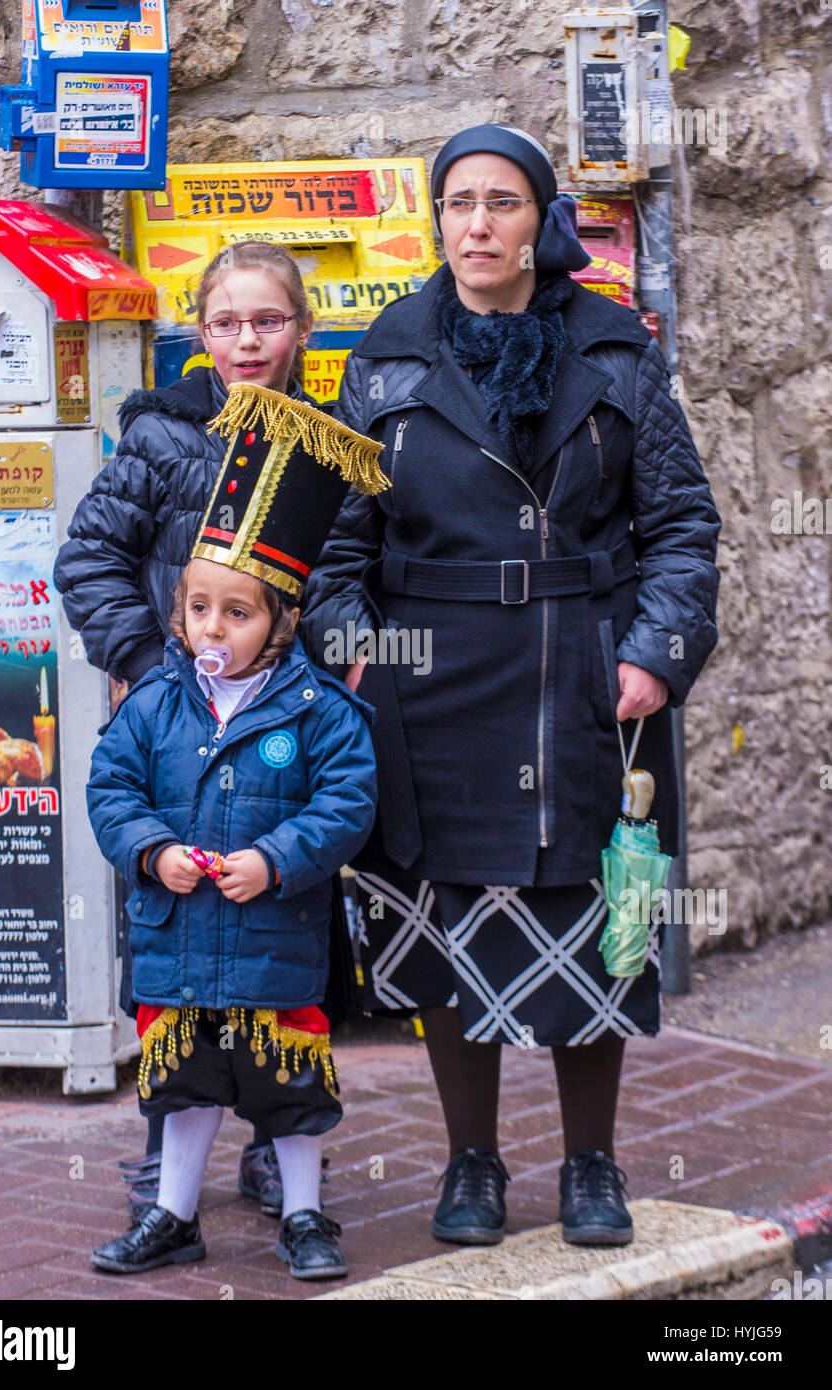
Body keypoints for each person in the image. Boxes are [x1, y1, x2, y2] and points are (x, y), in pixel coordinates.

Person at [301, 124, 721, 1248]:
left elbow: (679, 525)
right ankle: (470, 1165)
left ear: (542, 222)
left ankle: (591, 1166)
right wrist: (350, 651)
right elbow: (333, 551)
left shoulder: (616, 351)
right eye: (456, 204)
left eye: (499, 203)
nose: (475, 224)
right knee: (448, 927)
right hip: (428, 688)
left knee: (594, 923)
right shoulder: (385, 358)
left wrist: (652, 652)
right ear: (436, 221)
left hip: (577, 675)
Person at [84, 383, 386, 1278]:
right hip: (177, 936)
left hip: (273, 937)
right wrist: (150, 850)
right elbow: (112, 788)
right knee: (180, 1082)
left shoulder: (321, 710)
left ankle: (303, 1216)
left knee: (289, 1086)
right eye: (200, 607)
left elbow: (345, 805)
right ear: (178, 612)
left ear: (283, 622)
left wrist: (274, 860)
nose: (215, 625)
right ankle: (174, 1213)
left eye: (240, 611)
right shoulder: (152, 704)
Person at [53, 242, 318, 1217]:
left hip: (281, 737)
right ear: (198, 334)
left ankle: (272, 1135)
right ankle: (168, 1148)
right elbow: (88, 560)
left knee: (277, 938)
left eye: (267, 321)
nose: (247, 341)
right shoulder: (163, 440)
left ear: (301, 329)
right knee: (175, 937)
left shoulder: (326, 442)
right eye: (226, 323)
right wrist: (139, 664)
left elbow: (350, 573)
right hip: (177, 737)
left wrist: (340, 655)